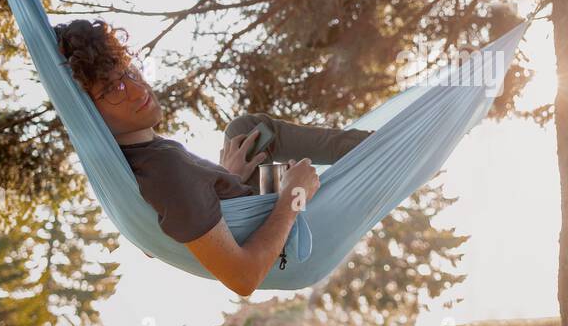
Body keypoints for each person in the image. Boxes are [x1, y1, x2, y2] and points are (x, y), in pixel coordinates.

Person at [52, 19, 370, 295]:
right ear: (86, 113)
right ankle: (386, 144)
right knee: (261, 137)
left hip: (254, 209)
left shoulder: (130, 160)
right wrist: (292, 196)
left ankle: (380, 144)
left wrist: (223, 179)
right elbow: (243, 278)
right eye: (111, 90)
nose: (137, 90)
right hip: (293, 244)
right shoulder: (166, 173)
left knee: (248, 132)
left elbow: (156, 237)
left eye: (129, 72)